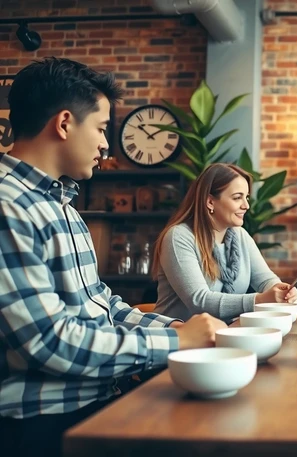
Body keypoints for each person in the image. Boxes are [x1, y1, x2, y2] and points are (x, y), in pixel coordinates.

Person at [0, 57, 226, 457]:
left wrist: (179, 326)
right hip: (44, 423)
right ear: (65, 123)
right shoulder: (8, 206)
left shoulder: (62, 204)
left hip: (94, 402)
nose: (106, 144)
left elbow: (103, 304)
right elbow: (49, 342)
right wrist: (174, 341)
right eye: (102, 128)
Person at [152, 163, 297, 323]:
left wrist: (281, 289)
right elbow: (199, 302)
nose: (246, 206)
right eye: (237, 198)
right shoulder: (178, 237)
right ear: (210, 202)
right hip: (177, 339)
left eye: (246, 197)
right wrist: (260, 299)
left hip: (223, 334)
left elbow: (265, 280)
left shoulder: (240, 235)